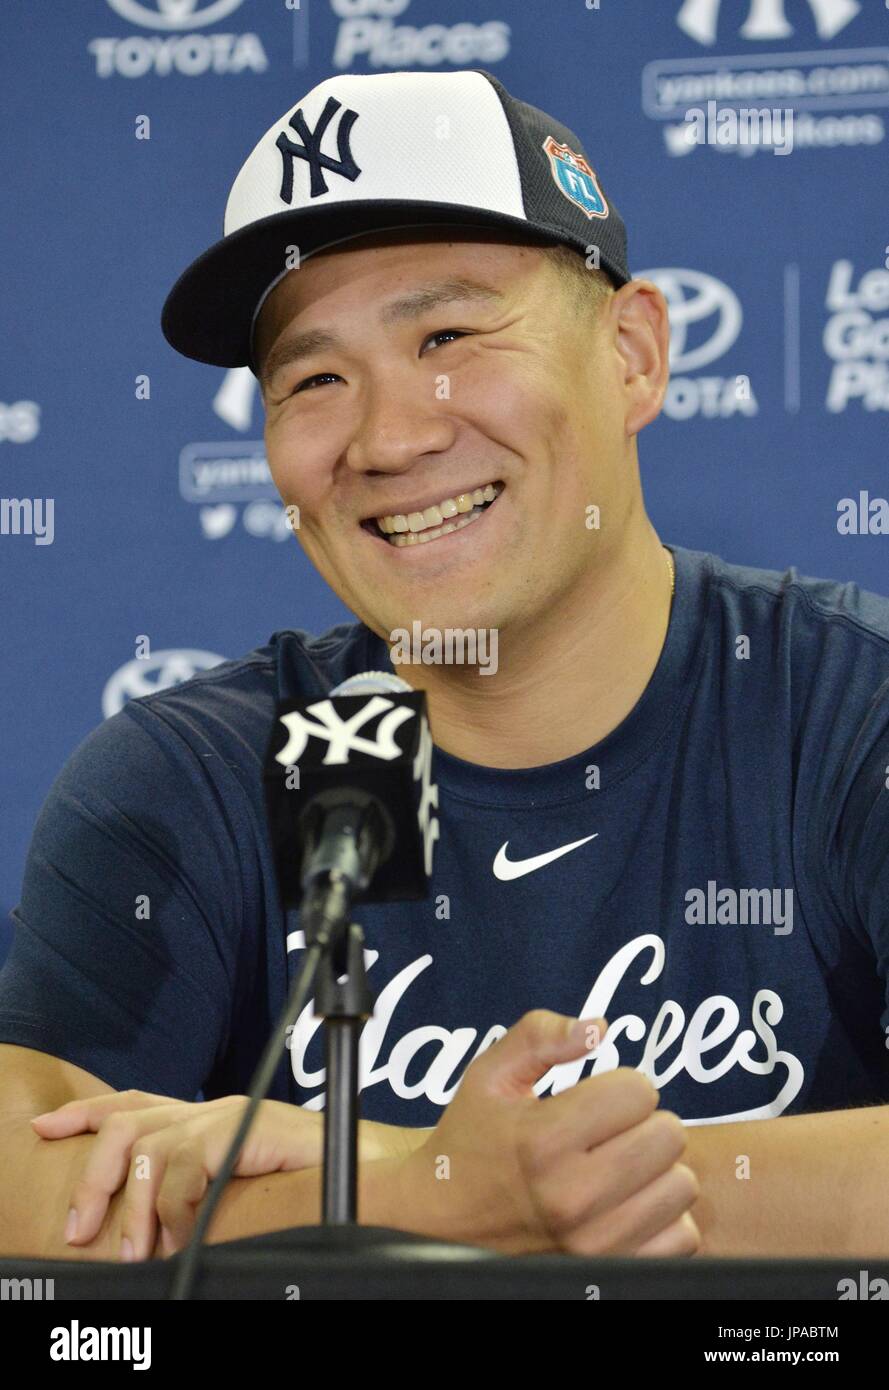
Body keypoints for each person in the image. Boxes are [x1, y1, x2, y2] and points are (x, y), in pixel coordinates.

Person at [2, 69, 888, 1265]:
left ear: (631, 356)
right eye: (314, 378)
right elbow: (24, 1168)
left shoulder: (842, 707)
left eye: (450, 335)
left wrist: (470, 1193)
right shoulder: (201, 773)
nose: (391, 437)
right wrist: (426, 1189)